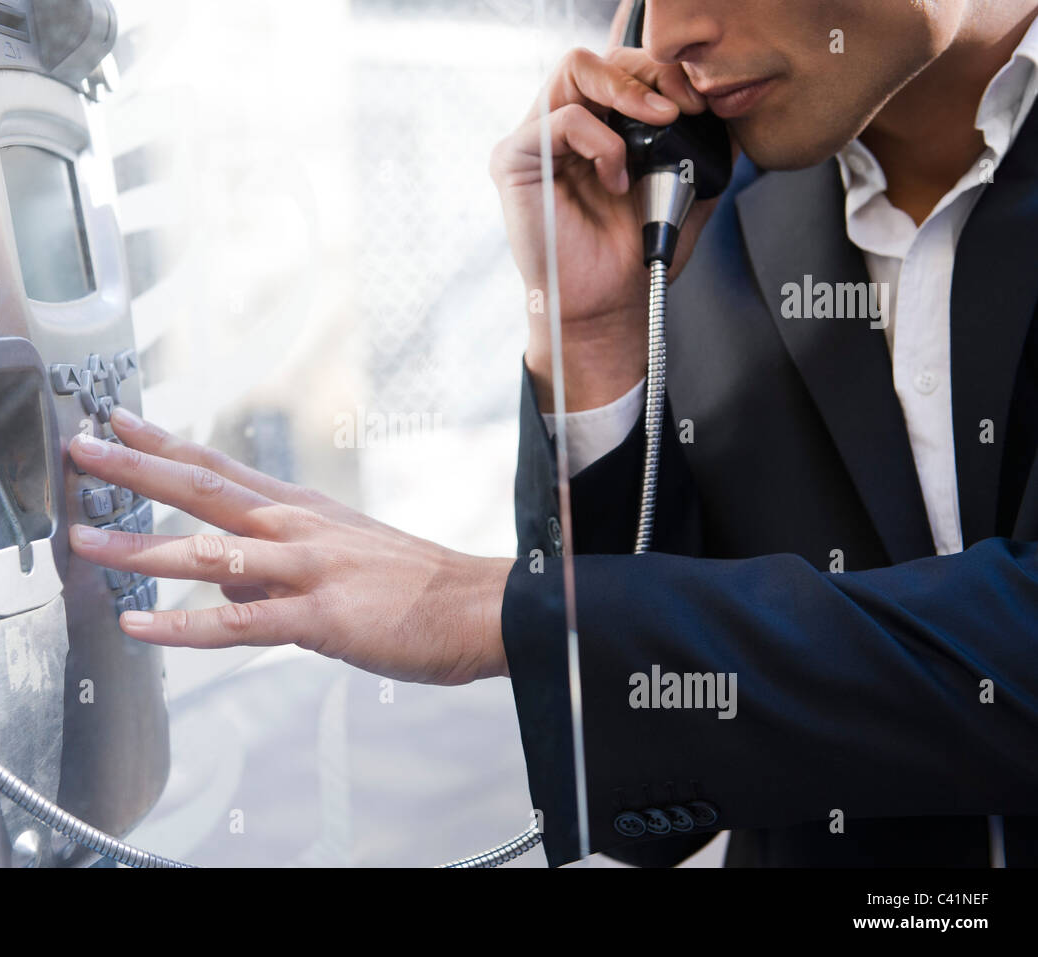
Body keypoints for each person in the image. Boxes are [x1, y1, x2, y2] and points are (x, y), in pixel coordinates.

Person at [64, 0, 1038, 867]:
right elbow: (647, 801)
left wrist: (507, 613)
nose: (668, 34)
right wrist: (591, 340)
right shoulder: (716, 211)